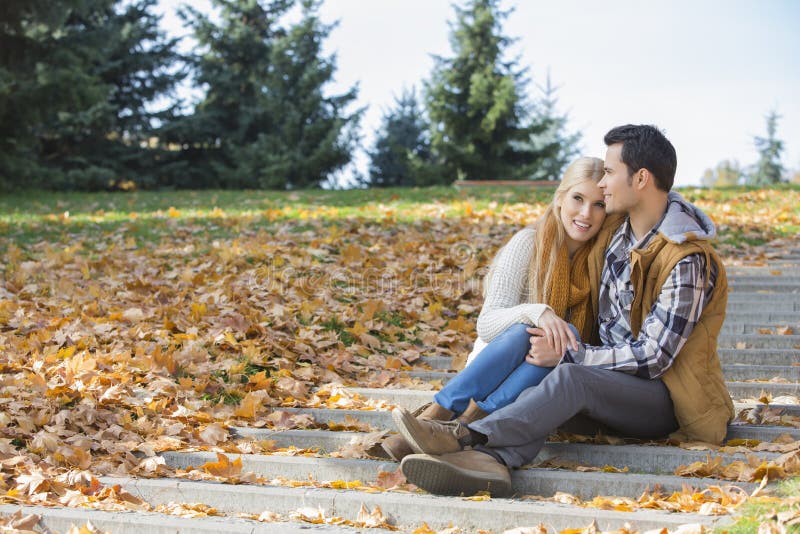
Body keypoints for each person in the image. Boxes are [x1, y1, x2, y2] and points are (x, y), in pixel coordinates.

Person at [392, 124, 734, 497]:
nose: (601, 185)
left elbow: (654, 358)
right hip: (605, 385)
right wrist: (552, 335)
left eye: (608, 172)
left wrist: (574, 352)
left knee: (571, 371)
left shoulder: (686, 260)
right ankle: (492, 462)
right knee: (539, 339)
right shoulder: (616, 236)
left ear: (641, 178)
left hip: (662, 398)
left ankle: (465, 435)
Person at [382, 157, 612, 461]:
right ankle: (441, 415)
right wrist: (538, 311)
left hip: (546, 384)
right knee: (529, 330)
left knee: (565, 333)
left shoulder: (602, 261)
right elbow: (487, 324)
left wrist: (565, 350)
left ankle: (457, 427)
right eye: (578, 198)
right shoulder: (528, 243)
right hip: (493, 365)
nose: (586, 213)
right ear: (560, 198)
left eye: (599, 204)